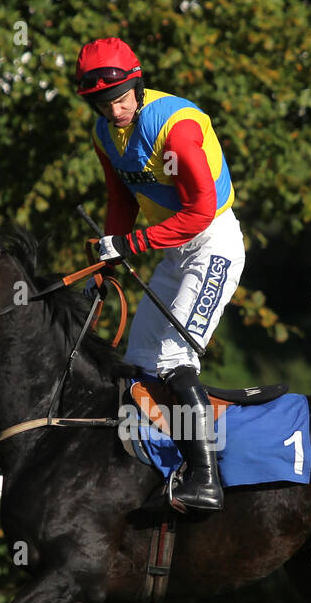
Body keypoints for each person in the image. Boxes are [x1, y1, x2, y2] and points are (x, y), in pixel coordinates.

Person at [75, 36, 245, 514]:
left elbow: (199, 212)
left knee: (173, 359)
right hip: (175, 254)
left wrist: (129, 244)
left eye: (120, 97)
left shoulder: (177, 126)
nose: (114, 109)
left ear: (137, 84)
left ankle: (206, 480)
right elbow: (121, 201)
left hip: (213, 244)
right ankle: (155, 465)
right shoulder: (104, 134)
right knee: (141, 359)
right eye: (101, 103)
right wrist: (106, 261)